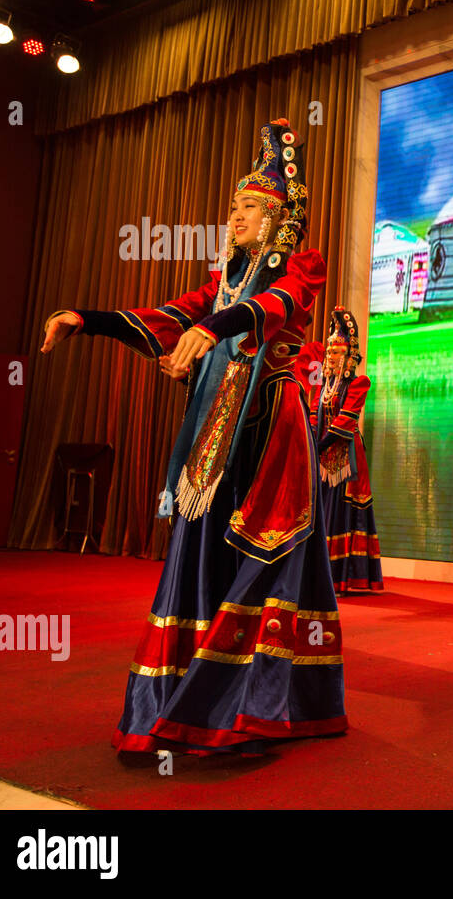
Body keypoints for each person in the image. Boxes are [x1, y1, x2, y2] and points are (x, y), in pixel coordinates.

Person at [41, 119, 347, 752]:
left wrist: (216, 327)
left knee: (261, 554)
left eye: (250, 208)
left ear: (277, 220)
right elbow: (168, 317)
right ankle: (191, 691)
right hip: (216, 430)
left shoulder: (302, 268)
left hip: (269, 432)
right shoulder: (222, 282)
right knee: (202, 537)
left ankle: (255, 705)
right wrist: (87, 319)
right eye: (232, 207)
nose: (235, 217)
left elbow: (278, 306)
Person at [299, 307, 384, 594]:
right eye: (330, 352)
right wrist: (309, 439)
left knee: (340, 511)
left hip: (345, 454)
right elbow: (313, 415)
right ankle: (321, 575)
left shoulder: (358, 383)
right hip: (322, 455)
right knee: (322, 509)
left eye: (337, 352)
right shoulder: (323, 386)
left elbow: (346, 420)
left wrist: (318, 446)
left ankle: (344, 577)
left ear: (349, 356)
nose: (331, 357)